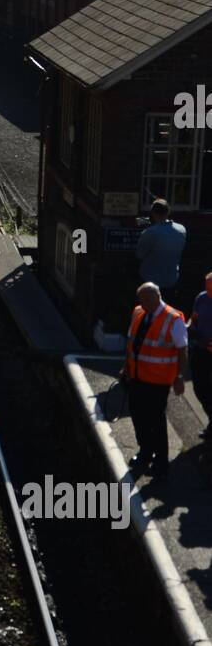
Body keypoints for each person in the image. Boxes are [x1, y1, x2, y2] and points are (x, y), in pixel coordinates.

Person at [121, 281, 188, 477]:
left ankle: (161, 461)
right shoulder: (138, 312)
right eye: (141, 301)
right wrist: (126, 366)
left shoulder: (173, 319)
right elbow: (132, 342)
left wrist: (179, 376)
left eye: (146, 301)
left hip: (158, 381)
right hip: (137, 377)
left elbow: (182, 350)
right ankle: (145, 452)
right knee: (138, 416)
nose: (143, 305)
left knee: (155, 420)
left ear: (156, 297)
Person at [135, 199, 187, 298]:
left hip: (150, 282)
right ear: (168, 212)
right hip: (172, 279)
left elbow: (139, 255)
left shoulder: (149, 232)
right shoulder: (182, 229)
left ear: (153, 213)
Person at [188, 271, 212, 439]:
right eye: (207, 287)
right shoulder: (201, 298)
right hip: (201, 350)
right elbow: (194, 319)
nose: (208, 291)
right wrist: (189, 326)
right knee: (200, 387)